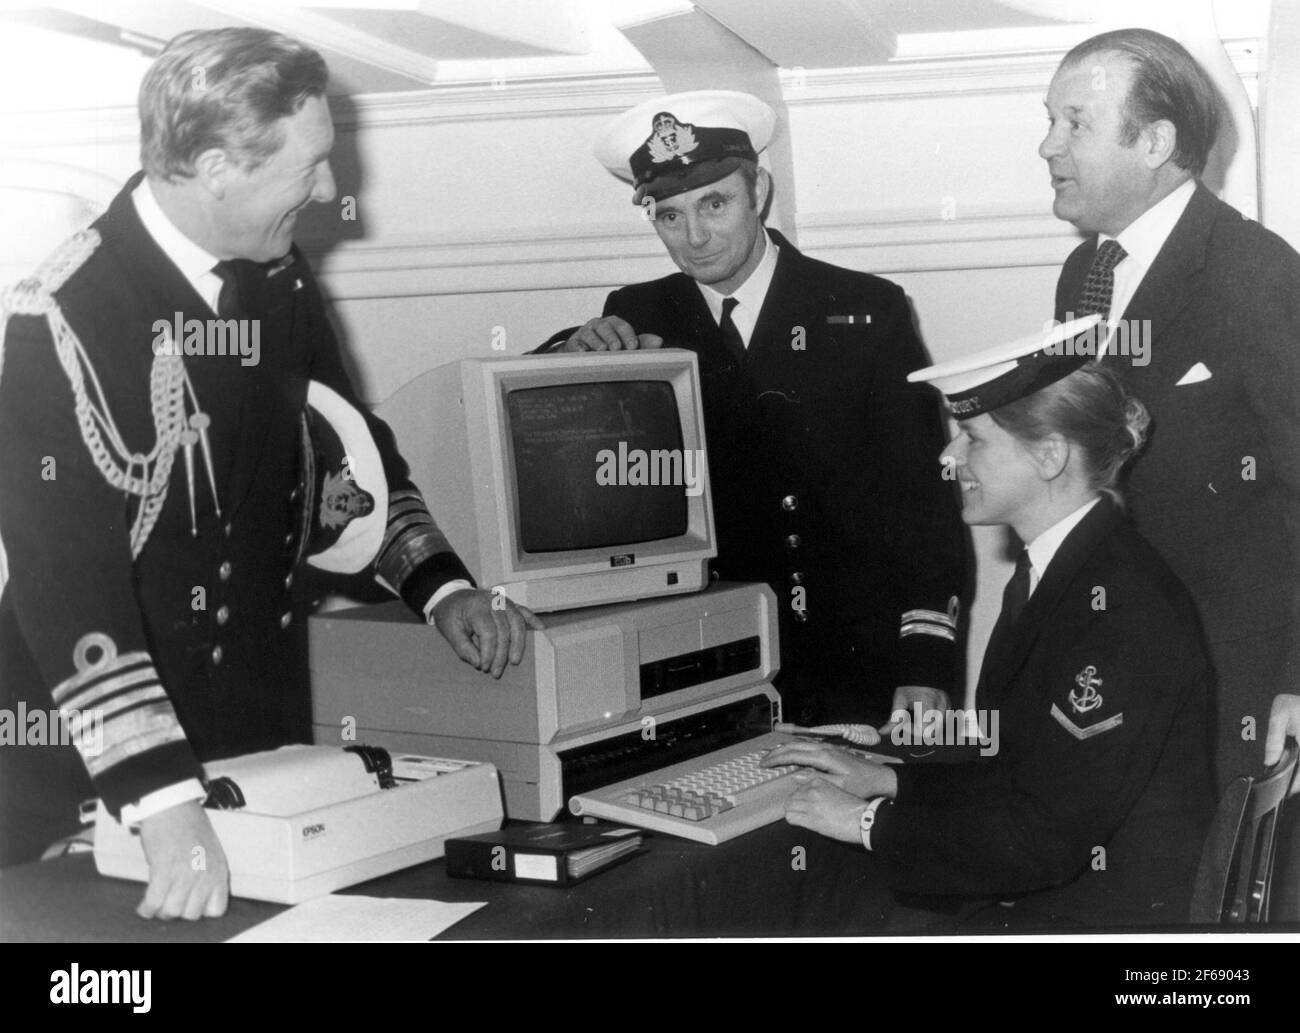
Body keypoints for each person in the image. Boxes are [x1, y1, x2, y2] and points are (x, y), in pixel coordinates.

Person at [0, 28, 539, 919]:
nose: (332, 190)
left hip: (257, 740)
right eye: (312, 165)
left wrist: (442, 589)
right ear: (217, 169)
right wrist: (162, 802)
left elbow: (348, 451)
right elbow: (70, 589)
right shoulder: (62, 315)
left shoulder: (278, 279)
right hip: (91, 770)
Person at [764, 316, 1215, 928]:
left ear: (1050, 455)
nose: (949, 457)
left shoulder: (1122, 609)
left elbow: (1045, 838)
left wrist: (864, 821)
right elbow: (1022, 770)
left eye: (972, 437)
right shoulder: (1063, 571)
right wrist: (888, 781)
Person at [537, 91, 968, 727]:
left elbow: (923, 500)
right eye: (670, 217)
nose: (697, 236)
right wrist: (568, 352)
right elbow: (534, 418)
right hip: (710, 653)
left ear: (758, 190)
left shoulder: (864, 307)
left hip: (856, 655)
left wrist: (925, 660)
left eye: (716, 203)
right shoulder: (640, 310)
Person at [1041, 28, 1300, 787]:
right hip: (1117, 663)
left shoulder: (1256, 274)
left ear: (1154, 140)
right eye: (1049, 119)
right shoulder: (1081, 275)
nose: (1047, 145)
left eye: (1073, 123)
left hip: (1239, 680)